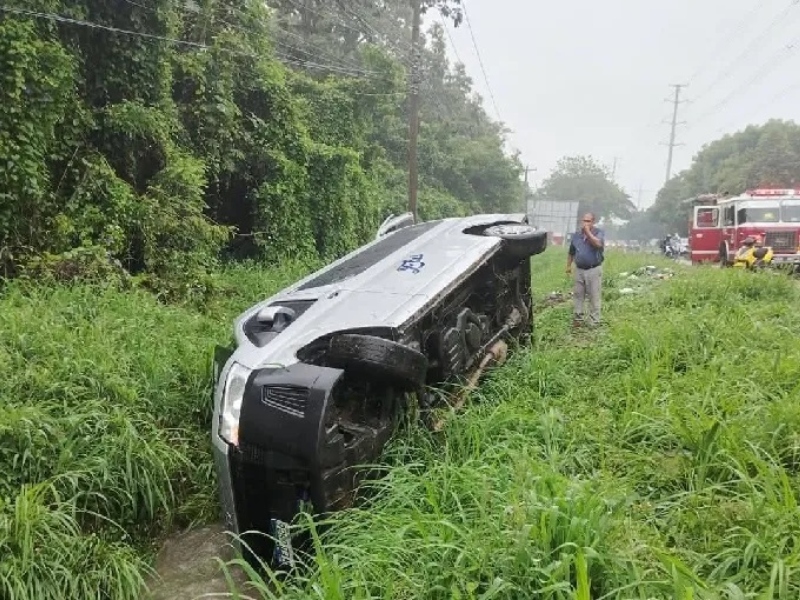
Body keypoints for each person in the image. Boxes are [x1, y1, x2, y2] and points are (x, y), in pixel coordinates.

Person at [566, 213, 605, 328]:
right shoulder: (577, 235)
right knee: (578, 294)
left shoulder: (598, 233)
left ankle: (594, 321)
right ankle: (578, 319)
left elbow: (598, 244)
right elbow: (571, 252)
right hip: (579, 269)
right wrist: (568, 266)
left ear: (593, 222)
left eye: (588, 221)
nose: (585, 223)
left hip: (593, 269)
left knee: (594, 295)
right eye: (584, 221)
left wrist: (588, 232)